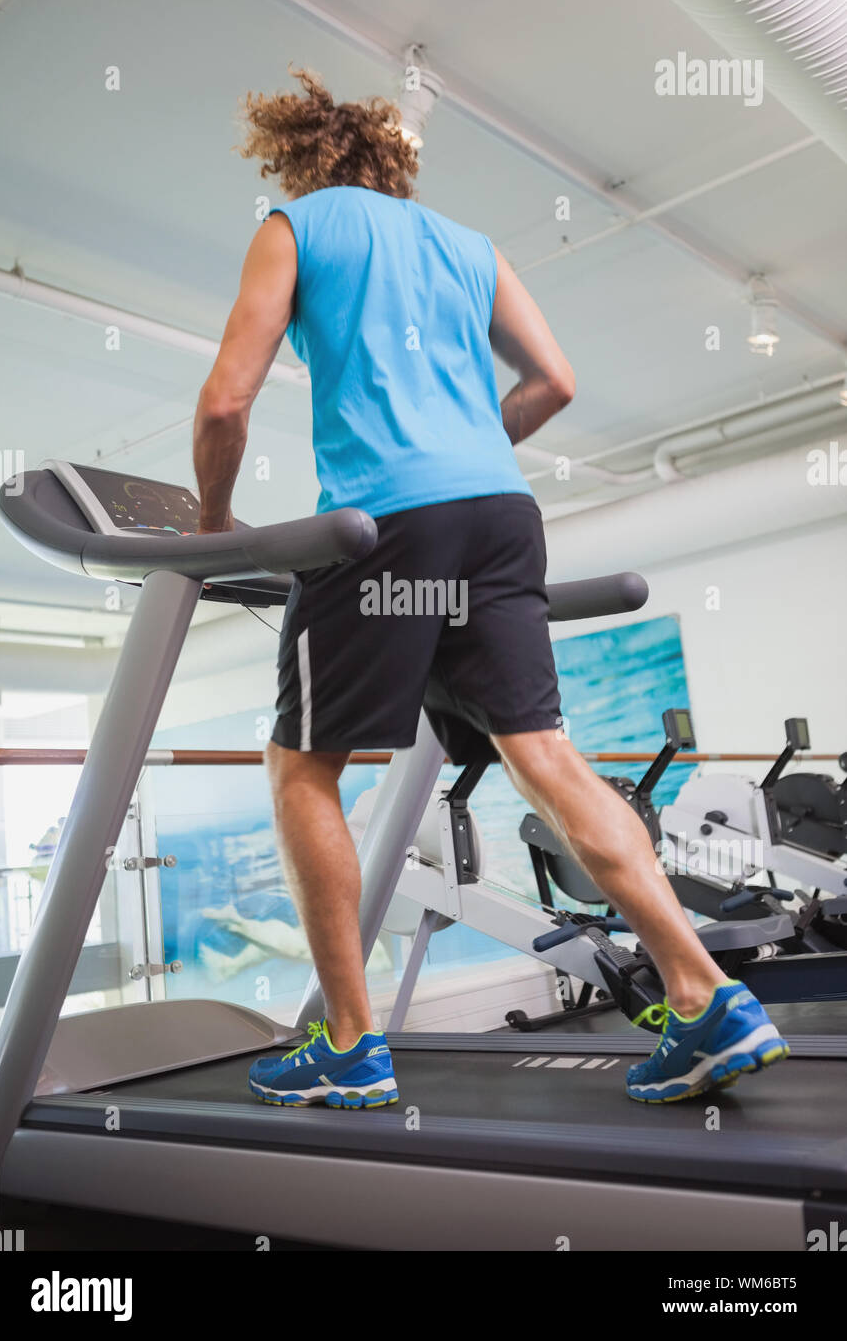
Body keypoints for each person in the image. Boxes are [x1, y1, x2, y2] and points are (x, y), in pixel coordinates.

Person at [193, 69, 788, 1107]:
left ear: (298, 154)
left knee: (300, 764)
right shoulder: (470, 248)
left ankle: (347, 1043)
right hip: (501, 519)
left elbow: (224, 403)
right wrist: (465, 452)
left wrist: (210, 528)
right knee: (543, 753)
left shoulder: (295, 225)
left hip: (384, 524)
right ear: (388, 161)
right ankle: (706, 996)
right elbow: (553, 381)